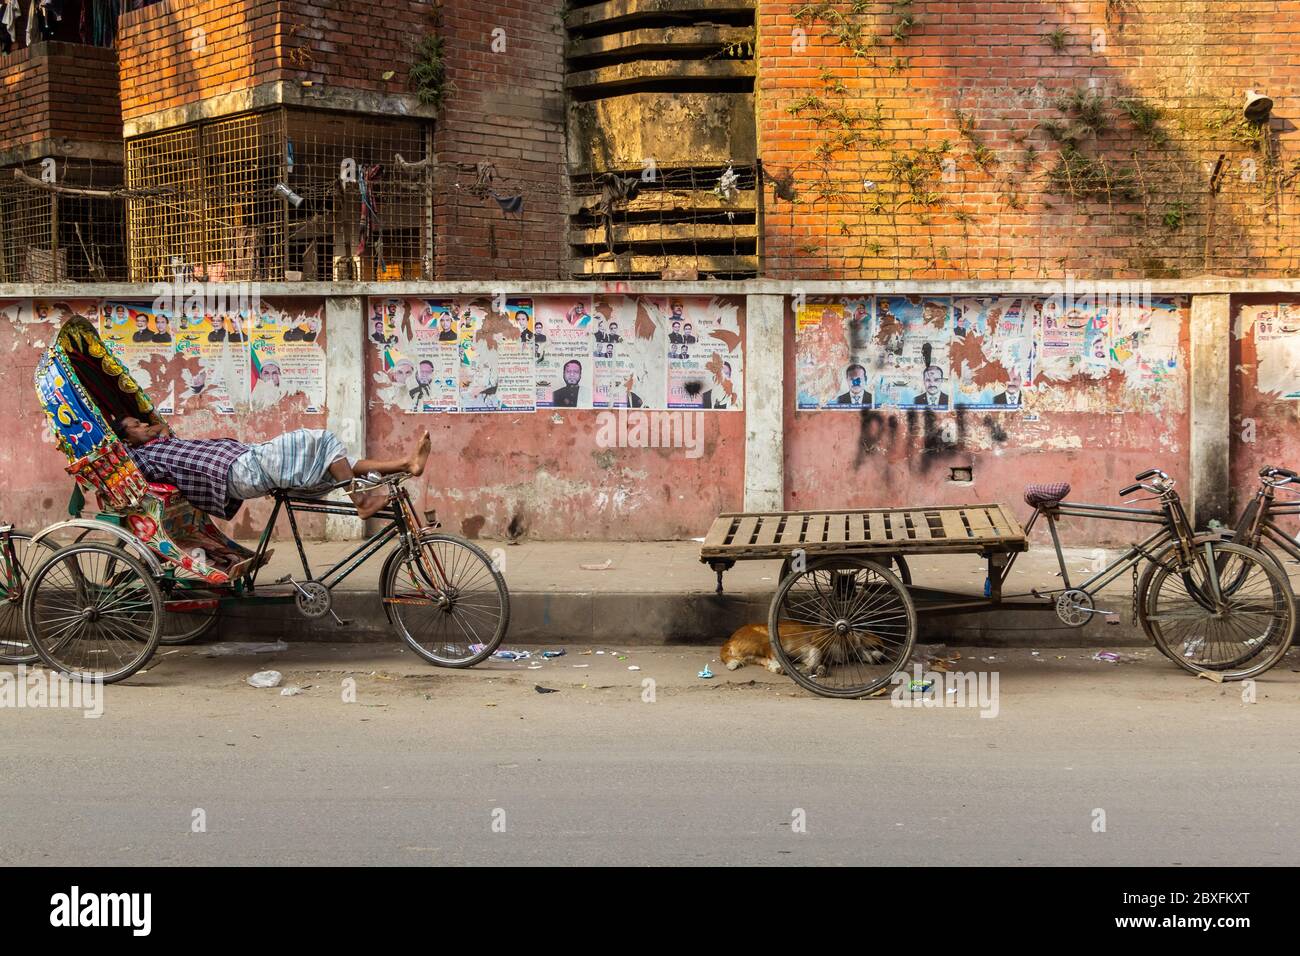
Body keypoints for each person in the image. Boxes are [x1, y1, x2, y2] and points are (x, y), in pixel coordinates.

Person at [112, 417, 432, 522]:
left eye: (140, 421)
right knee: (320, 439)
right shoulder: (143, 457)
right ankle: (362, 503)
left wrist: (152, 429)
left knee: (338, 462)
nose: (143, 426)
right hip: (237, 471)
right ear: (127, 439)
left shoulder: (160, 443)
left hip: (244, 458)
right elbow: (121, 453)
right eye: (134, 426)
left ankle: (406, 463)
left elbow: (159, 427)